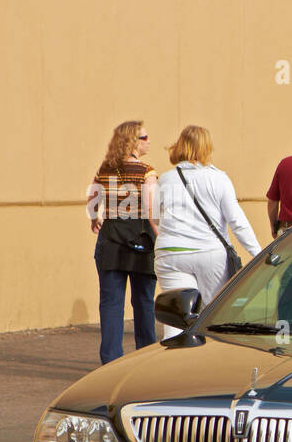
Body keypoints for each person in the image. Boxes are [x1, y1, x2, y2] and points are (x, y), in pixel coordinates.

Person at [155, 126, 263, 337]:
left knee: (177, 317)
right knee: (213, 316)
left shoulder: (166, 179)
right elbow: (237, 221)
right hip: (209, 253)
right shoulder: (219, 178)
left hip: (171, 253)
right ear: (207, 147)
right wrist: (259, 253)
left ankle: (173, 364)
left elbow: (155, 218)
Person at [88, 120, 159, 364]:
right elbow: (152, 210)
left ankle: (110, 361)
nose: (149, 141)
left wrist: (95, 217)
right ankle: (146, 357)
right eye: (144, 137)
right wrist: (162, 236)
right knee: (143, 302)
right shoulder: (147, 172)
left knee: (110, 304)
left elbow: (92, 199)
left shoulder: (105, 169)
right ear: (132, 142)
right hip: (141, 243)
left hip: (110, 242)